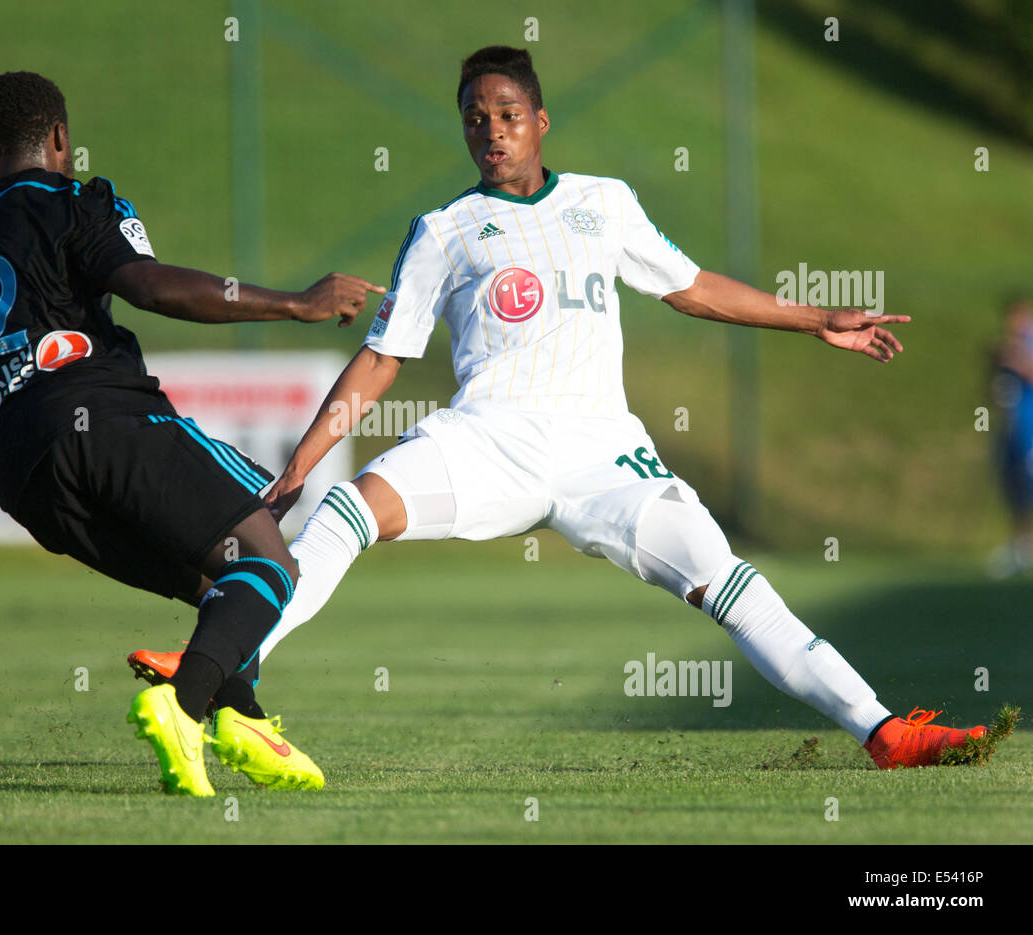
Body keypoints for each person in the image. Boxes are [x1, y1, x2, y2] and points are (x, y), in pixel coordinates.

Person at [138, 46, 986, 771]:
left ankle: (880, 729)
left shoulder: (603, 203)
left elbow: (689, 288)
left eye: (508, 112)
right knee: (348, 510)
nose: (491, 129)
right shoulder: (445, 229)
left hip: (603, 456)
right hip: (484, 445)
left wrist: (814, 318)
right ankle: (213, 663)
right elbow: (383, 356)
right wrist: (298, 467)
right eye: (475, 116)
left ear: (541, 121)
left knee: (727, 579)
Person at [0, 71, 383, 796]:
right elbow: (150, 285)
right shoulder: (77, 199)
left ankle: (247, 722)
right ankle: (184, 706)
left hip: (24, 470)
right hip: (104, 416)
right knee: (272, 560)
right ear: (59, 139)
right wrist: (297, 303)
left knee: (220, 585)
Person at [989, 294, 1033, 578]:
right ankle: (1020, 547)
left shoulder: (1025, 348)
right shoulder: (1005, 349)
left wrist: (1019, 362)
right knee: (1015, 490)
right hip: (1013, 430)